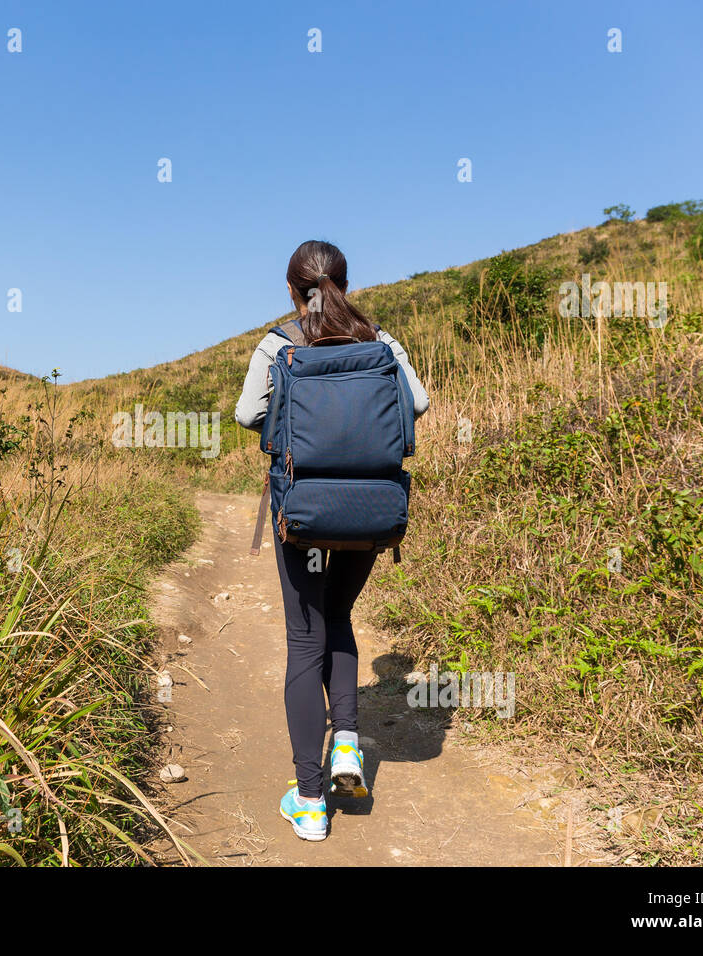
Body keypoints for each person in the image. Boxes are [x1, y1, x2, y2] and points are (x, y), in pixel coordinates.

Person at [234, 239, 430, 841]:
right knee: (339, 618)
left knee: (304, 638)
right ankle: (346, 745)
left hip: (304, 514)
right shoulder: (381, 340)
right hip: (367, 511)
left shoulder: (279, 342)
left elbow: (246, 414)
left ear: (293, 289)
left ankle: (311, 800)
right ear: (344, 283)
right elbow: (418, 402)